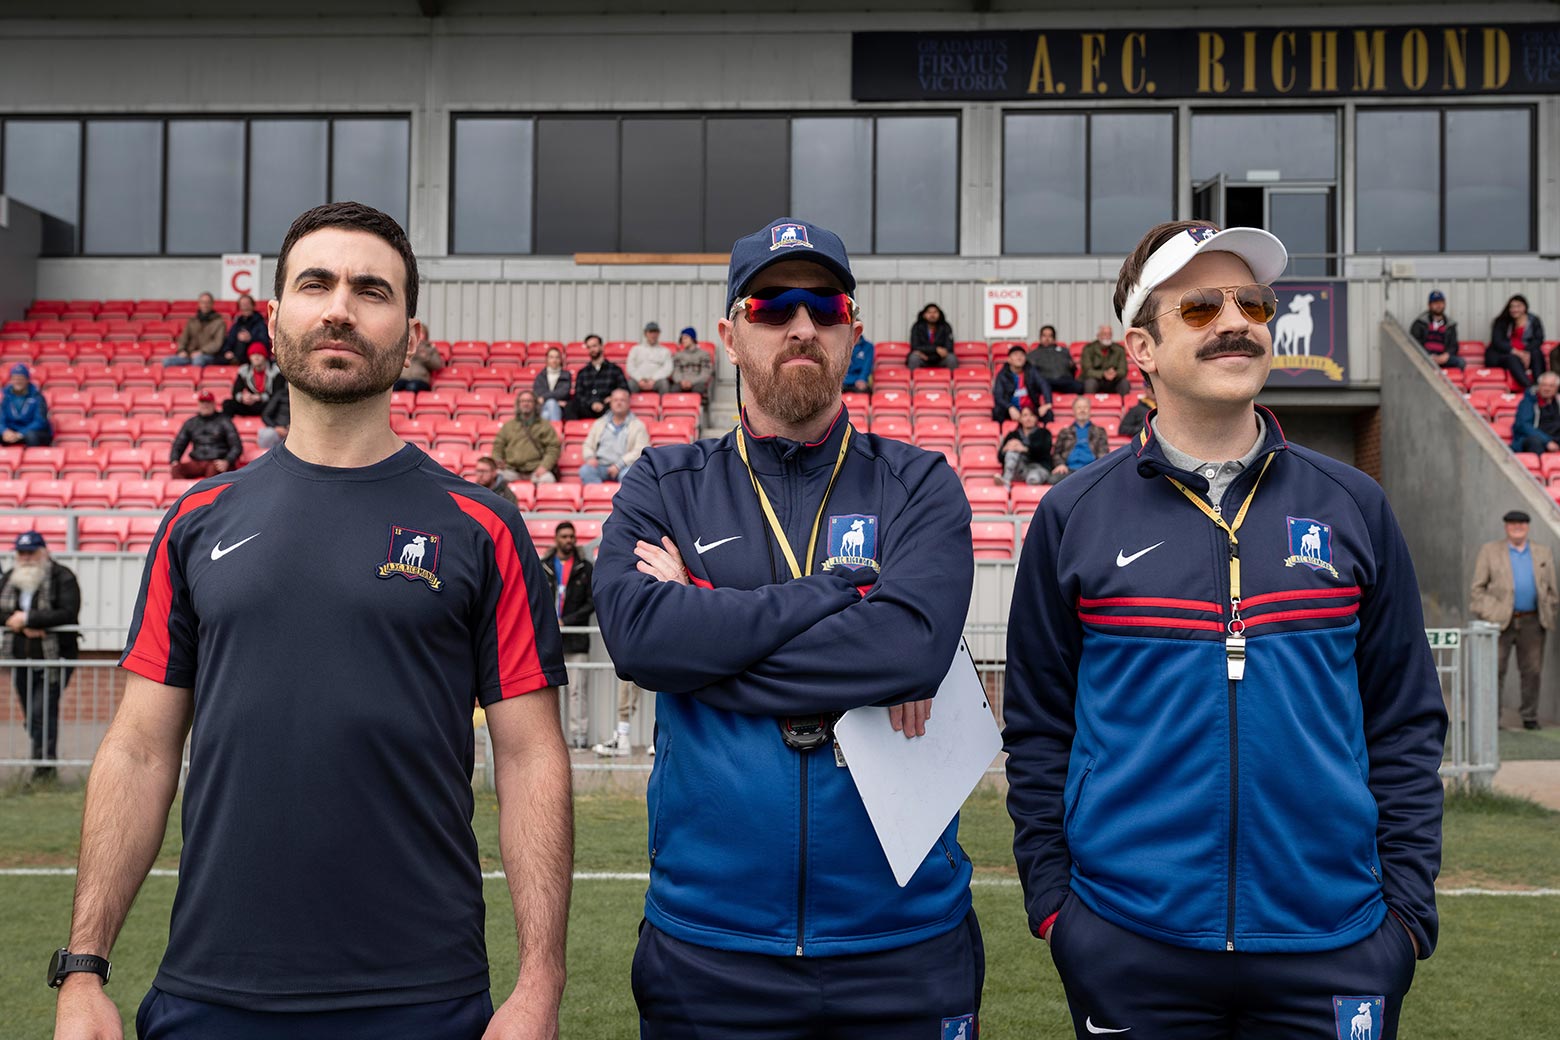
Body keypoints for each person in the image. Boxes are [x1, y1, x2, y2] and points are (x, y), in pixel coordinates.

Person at [53, 201, 571, 1040]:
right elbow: (141, 749)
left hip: (424, 996)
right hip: (210, 994)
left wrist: (540, 984)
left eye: (372, 289)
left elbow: (530, 755)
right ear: (273, 318)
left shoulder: (482, 525)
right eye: (316, 283)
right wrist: (82, 969)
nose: (340, 306)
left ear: (410, 334)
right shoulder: (197, 520)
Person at [1004, 219, 1447, 1040]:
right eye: (1202, 306)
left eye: (1253, 301)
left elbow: (1405, 721)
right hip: (1129, 942)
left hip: (1338, 944)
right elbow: (1038, 730)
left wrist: (1406, 918)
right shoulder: (1074, 516)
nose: (1238, 320)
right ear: (1141, 347)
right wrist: (1060, 913)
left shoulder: (1353, 506)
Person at [593, 216, 981, 1037]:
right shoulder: (666, 481)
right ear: (732, 335)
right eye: (772, 307)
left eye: (823, 306)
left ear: (852, 331)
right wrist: (836, 594)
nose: (801, 325)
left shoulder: (919, 484)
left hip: (903, 945)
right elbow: (639, 641)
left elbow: (909, 650)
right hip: (710, 948)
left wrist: (703, 637)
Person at [1, 530, 79, 785]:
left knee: (41, 711)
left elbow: (68, 612)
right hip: (21, 657)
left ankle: (44, 769)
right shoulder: (10, 578)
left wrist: (30, 618)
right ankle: (41, 762)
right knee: (32, 713)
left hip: (54, 658)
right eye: (21, 552)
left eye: (31, 551)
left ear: (43, 551)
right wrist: (21, 624)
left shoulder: (62, 576)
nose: (26, 557)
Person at [1471, 509, 1556, 731]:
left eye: (1521, 524)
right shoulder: (1490, 551)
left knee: (1532, 671)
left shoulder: (1542, 552)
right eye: (1512, 524)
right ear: (1506, 527)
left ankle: (1529, 716)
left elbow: (1552, 589)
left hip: (1533, 622)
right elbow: (1477, 590)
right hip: (1499, 623)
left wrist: (1549, 609)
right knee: (1495, 670)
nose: (1517, 527)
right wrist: (1493, 612)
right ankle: (1493, 720)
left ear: (1528, 527)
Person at [541, 522, 595, 748]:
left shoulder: (585, 567)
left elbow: (592, 602)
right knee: (547, 694)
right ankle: (548, 740)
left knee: (576, 692)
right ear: (556, 539)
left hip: (576, 639)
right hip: (548, 640)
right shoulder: (543, 566)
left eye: (572, 536)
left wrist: (567, 621)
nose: (569, 540)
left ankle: (578, 738)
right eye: (564, 536)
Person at [578, 387, 647, 484]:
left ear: (628, 403)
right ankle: (599, 497)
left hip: (625, 467)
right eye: (615, 400)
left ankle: (619, 499)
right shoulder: (599, 423)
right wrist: (590, 457)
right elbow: (587, 444)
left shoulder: (638, 425)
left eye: (622, 400)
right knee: (585, 470)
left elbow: (640, 450)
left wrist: (619, 465)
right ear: (610, 403)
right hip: (601, 465)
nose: (618, 403)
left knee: (630, 475)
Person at [491, 389, 560, 484]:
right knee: (494, 478)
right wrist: (498, 460)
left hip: (535, 471)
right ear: (518, 404)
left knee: (547, 480)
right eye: (522, 401)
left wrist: (544, 467)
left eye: (529, 401)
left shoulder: (544, 426)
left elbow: (553, 448)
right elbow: (498, 445)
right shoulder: (509, 426)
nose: (525, 404)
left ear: (535, 404)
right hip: (511, 470)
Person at [168, 390, 242, 479]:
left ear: (214, 404)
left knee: (213, 470)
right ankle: (184, 493)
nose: (205, 405)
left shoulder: (225, 421)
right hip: (197, 462)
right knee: (176, 469)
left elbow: (236, 446)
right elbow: (179, 443)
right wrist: (174, 459)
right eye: (202, 402)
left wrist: (227, 461)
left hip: (217, 461)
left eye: (208, 402)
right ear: (198, 404)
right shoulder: (191, 422)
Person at [1486, 294, 1544, 388]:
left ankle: (1541, 384)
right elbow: (1497, 342)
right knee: (1512, 358)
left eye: (1518, 306)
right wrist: (1517, 353)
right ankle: (1530, 387)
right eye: (1512, 307)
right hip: (1504, 355)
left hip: (1526, 352)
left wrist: (1526, 352)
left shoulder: (1534, 320)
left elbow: (1539, 339)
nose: (1515, 309)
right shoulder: (1501, 321)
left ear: (1525, 307)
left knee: (1537, 353)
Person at [568, 333, 630, 420]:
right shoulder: (583, 372)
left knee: (617, 405)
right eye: (589, 347)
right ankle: (573, 431)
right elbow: (578, 395)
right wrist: (592, 404)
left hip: (607, 408)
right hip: (588, 407)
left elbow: (624, 390)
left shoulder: (615, 370)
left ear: (601, 347)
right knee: (571, 405)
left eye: (594, 346)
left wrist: (612, 398)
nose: (592, 350)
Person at [1048, 396, 1109, 481]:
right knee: (1053, 479)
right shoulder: (1065, 432)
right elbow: (1056, 453)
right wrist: (1060, 464)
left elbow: (1103, 453)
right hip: (1068, 471)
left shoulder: (1099, 431)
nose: (1082, 410)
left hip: (1091, 470)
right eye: (1079, 407)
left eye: (1085, 407)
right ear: (1074, 411)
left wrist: (1097, 468)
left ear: (1090, 410)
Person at [991, 344, 1054, 423]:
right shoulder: (1003, 375)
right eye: (1015, 355)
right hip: (1012, 410)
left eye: (1022, 355)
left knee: (1048, 413)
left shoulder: (1031, 371)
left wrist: (1048, 403)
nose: (1019, 358)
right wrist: (1010, 407)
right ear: (1009, 359)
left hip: (1031, 409)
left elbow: (1044, 384)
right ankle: (1001, 434)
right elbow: (998, 396)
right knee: (997, 411)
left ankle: (1045, 434)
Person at [163, 292, 228, 367]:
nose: (205, 305)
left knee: (198, 360)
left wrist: (202, 351)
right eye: (203, 302)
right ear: (199, 304)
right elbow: (183, 338)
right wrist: (181, 350)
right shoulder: (192, 321)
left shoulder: (219, 322)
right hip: (189, 354)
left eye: (208, 302)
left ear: (212, 304)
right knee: (167, 361)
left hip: (208, 355)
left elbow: (217, 343)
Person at [222, 343, 285, 418]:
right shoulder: (244, 370)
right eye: (253, 354)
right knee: (228, 404)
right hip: (250, 403)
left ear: (264, 356)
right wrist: (243, 397)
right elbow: (236, 392)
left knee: (279, 405)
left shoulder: (275, 371)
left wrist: (259, 397)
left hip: (268, 404)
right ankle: (226, 427)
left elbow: (278, 394)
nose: (256, 357)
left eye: (259, 354)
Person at [1000, 404, 1055, 486]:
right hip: (1019, 469)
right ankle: (1005, 482)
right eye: (1025, 415)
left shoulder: (1044, 433)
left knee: (1033, 478)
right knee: (1012, 451)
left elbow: (1044, 451)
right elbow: (1000, 458)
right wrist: (1005, 450)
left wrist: (1024, 449)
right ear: (1020, 419)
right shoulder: (1013, 435)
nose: (1028, 418)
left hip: (1039, 468)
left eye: (1031, 415)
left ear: (1036, 418)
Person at [1, 363, 53, 447]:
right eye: (14, 379)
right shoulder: (6, 397)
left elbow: (40, 422)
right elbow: (1, 419)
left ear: (27, 380)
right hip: (12, 431)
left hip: (33, 432)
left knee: (31, 436)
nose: (17, 381)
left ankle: (34, 459)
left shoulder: (37, 397)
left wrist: (20, 433)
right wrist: (4, 431)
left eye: (21, 378)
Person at [1409, 291, 1463, 369]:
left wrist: (1446, 355)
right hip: (1425, 358)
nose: (1438, 305)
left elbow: (1453, 345)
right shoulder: (1420, 323)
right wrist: (1429, 356)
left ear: (1445, 304)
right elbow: (1415, 344)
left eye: (1441, 302)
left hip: (1443, 358)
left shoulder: (1450, 324)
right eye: (1435, 303)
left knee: (1461, 362)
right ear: (1429, 305)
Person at [1510, 372, 1560, 454]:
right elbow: (1524, 426)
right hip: (1533, 438)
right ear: (1539, 386)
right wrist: (1546, 441)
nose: (1547, 389)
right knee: (1535, 442)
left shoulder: (1558, 402)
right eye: (1544, 385)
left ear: (1556, 388)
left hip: (1555, 437)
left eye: (1551, 386)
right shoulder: (1528, 402)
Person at [1028, 325, 1084, 395]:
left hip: (1064, 380)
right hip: (1045, 381)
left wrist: (1072, 365)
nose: (1047, 338)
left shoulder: (1064, 351)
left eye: (1050, 336)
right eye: (1044, 336)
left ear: (1054, 338)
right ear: (1040, 337)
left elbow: (1072, 369)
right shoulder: (1033, 354)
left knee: (1079, 387)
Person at [219, 293, 271, 364]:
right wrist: (227, 351)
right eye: (242, 305)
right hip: (237, 354)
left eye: (247, 304)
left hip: (254, 355)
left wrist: (250, 338)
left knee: (242, 342)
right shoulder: (237, 323)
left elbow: (265, 342)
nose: (245, 307)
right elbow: (230, 339)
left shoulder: (260, 322)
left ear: (253, 306)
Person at [1080, 323, 1129, 395]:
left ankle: (1124, 405)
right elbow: (1087, 371)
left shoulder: (1119, 350)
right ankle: (1088, 405)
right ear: (1098, 336)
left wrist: (1115, 373)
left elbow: (1123, 370)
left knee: (1124, 383)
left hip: (1113, 380)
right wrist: (1104, 374)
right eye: (1104, 334)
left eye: (1109, 334)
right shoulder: (1089, 349)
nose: (1107, 336)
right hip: (1096, 380)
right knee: (1090, 384)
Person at [668, 327, 715, 400]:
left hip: (697, 383)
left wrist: (692, 382)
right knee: (673, 389)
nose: (683, 341)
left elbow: (706, 373)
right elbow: (675, 371)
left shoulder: (704, 354)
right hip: (681, 382)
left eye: (686, 338)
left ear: (693, 339)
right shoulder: (678, 355)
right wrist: (681, 381)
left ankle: (699, 410)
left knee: (699, 389)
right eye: (682, 339)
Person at [627, 321, 673, 394]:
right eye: (650, 332)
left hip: (657, 381)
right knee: (630, 384)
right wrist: (640, 379)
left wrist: (653, 379)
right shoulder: (636, 349)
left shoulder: (665, 351)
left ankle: (662, 405)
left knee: (664, 384)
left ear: (659, 334)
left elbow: (667, 369)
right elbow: (630, 367)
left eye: (655, 332)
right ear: (645, 334)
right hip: (638, 381)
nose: (653, 335)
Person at [908, 301, 956, 369]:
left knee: (951, 358)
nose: (932, 315)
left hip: (940, 359)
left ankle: (951, 379)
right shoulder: (917, 327)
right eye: (929, 312)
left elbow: (949, 347)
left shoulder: (946, 327)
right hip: (922, 358)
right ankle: (913, 379)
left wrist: (932, 357)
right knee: (914, 358)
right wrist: (935, 349)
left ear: (939, 314)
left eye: (935, 312)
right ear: (924, 315)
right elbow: (915, 347)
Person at [532, 345, 572, 421]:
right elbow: (538, 393)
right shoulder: (540, 376)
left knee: (546, 413)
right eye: (551, 357)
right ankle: (556, 431)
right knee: (550, 404)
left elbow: (563, 392)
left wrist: (544, 398)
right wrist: (555, 400)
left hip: (561, 409)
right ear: (547, 359)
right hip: (543, 407)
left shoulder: (566, 375)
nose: (554, 360)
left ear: (560, 360)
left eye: (557, 357)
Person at [257, 381, 289, 451]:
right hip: (277, 429)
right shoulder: (280, 394)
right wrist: (276, 427)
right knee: (267, 435)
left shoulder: (306, 397)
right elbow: (265, 415)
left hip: (297, 431)